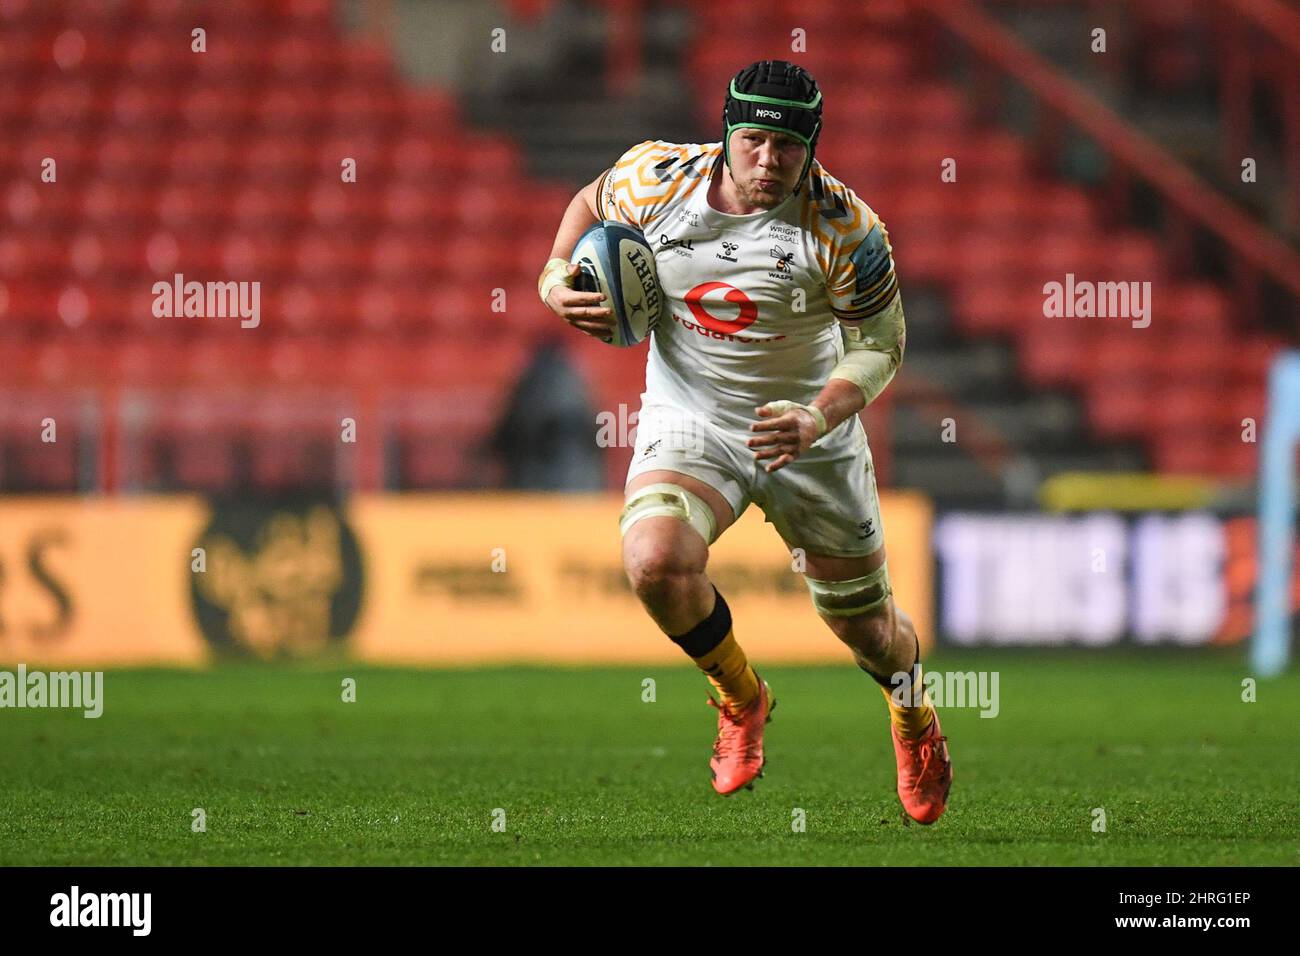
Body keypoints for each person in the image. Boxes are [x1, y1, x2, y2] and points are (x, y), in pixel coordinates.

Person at [537, 60, 952, 823]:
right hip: (691, 417)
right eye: (755, 140)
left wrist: (818, 417)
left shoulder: (846, 229)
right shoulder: (655, 179)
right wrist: (555, 276)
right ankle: (739, 695)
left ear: (812, 146)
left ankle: (915, 719)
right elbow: (588, 200)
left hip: (810, 435)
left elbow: (882, 345)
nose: (770, 162)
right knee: (655, 562)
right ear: (728, 132)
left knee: (869, 633)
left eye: (789, 148)